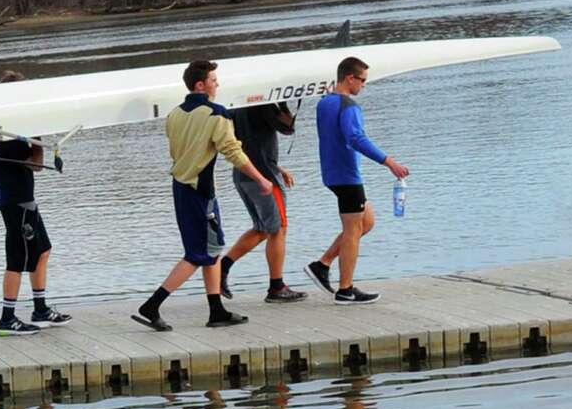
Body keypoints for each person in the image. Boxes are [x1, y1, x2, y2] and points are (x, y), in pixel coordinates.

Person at [133, 60, 272, 332]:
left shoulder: (174, 115)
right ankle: (152, 305)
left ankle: (216, 310)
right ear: (200, 85)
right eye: (213, 80)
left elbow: (178, 152)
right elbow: (233, 152)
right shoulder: (216, 114)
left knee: (213, 250)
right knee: (198, 255)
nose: (217, 84)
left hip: (181, 188)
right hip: (200, 192)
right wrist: (261, 178)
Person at [304, 57, 410, 305]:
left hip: (332, 173)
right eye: (362, 80)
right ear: (350, 78)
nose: (364, 85)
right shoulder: (348, 106)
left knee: (367, 222)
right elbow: (356, 139)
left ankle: (322, 265)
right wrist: (389, 162)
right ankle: (345, 289)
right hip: (347, 176)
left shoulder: (325, 102)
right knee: (353, 230)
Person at [0, 70, 72, 337]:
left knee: (43, 250)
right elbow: (36, 164)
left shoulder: (14, 126)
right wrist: (39, 139)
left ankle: (41, 309)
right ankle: (7, 318)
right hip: (15, 200)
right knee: (17, 258)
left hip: (24, 199)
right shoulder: (4, 132)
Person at [219, 102, 306, 304]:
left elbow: (251, 142)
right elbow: (287, 128)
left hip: (243, 174)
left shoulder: (236, 106)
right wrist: (285, 103)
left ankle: (223, 267)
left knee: (263, 228)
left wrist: (279, 168)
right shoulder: (263, 104)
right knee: (278, 229)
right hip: (264, 177)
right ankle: (276, 287)